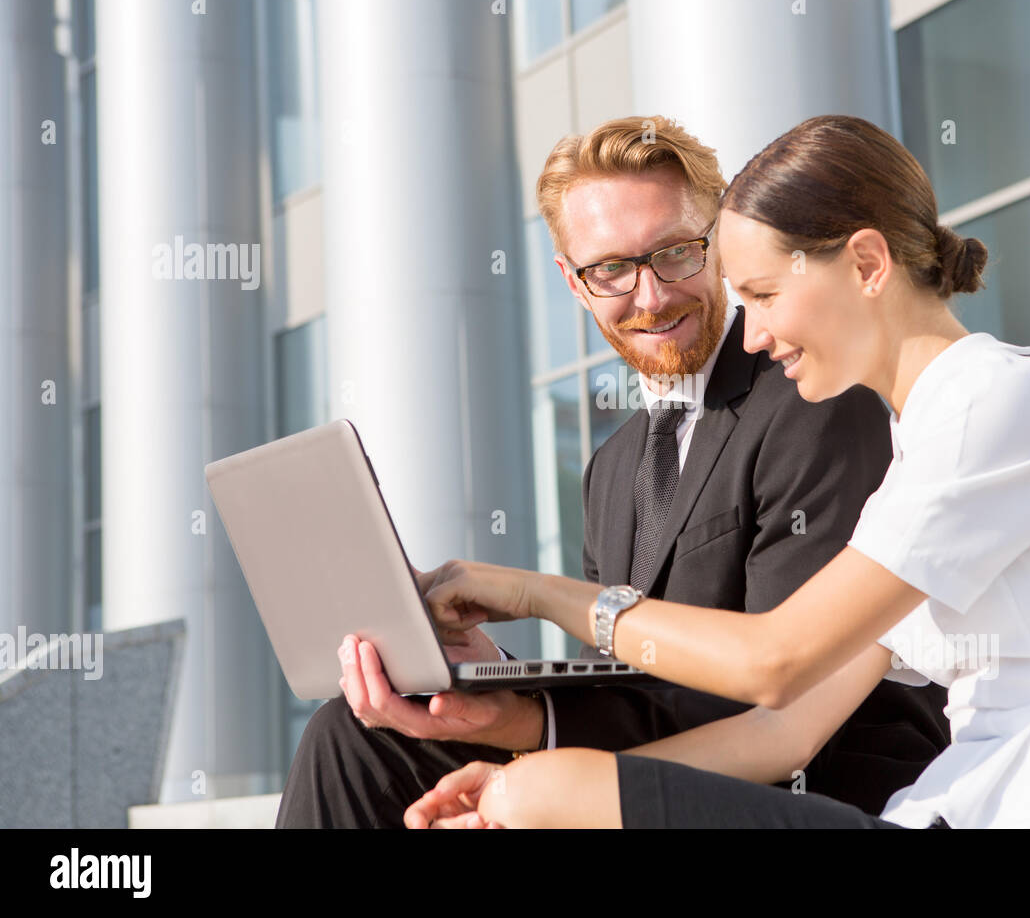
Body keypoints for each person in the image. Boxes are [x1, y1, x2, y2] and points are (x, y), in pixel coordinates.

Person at [409, 114, 1030, 829]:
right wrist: (533, 782)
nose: (755, 334)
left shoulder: (1003, 402)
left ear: (867, 264)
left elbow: (773, 660)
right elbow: (782, 731)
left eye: (764, 294)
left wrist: (540, 596)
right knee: (534, 797)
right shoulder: (925, 448)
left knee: (548, 797)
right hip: (976, 805)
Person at [274, 116, 950, 828]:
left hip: (812, 788)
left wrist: (527, 720)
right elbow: (631, 683)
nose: (652, 296)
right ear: (573, 281)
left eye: (675, 253)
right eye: (611, 270)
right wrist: (486, 669)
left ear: (719, 241)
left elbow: (776, 693)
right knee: (353, 737)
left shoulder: (813, 397)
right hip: (670, 770)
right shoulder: (612, 466)